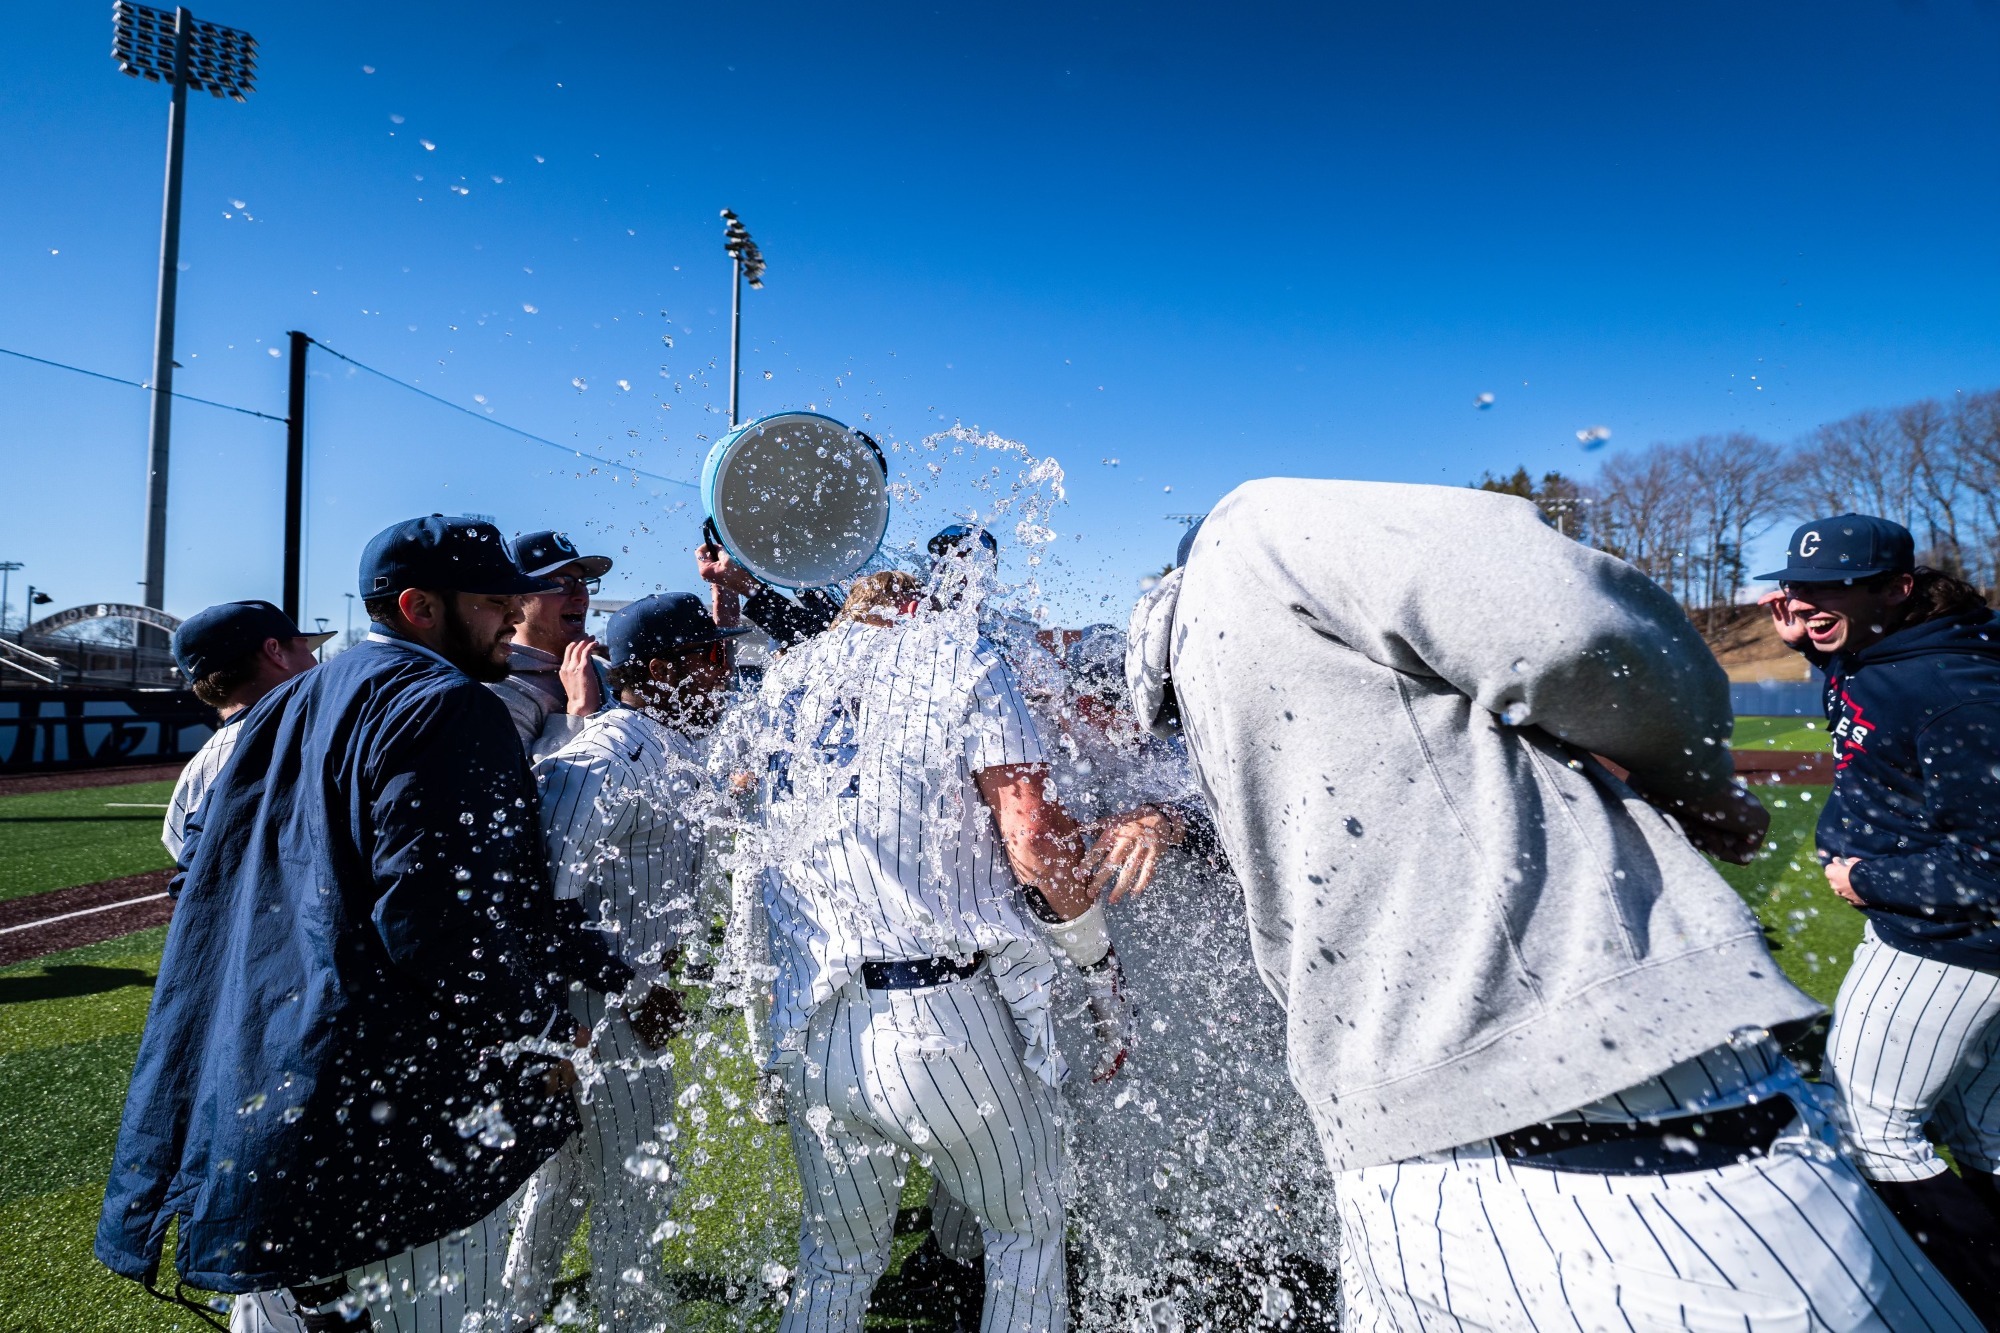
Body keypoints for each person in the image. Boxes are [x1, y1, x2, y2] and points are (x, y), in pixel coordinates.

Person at [1125, 478, 1980, 1330]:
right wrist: (1694, 781)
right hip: (1627, 1142)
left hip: (1390, 1184)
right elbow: (1573, 625)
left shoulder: (1196, 670)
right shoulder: (1258, 521)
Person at [97, 515, 632, 1333]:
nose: (506, 618)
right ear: (420, 606)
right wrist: (542, 1033)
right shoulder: (448, 703)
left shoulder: (290, 700)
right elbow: (441, 922)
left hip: (259, 1102)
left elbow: (203, 882)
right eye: (491, 601)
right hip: (384, 1122)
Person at [741, 569, 1119, 1333]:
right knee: (1027, 1231)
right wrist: (1100, 971)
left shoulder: (785, 676)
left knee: (835, 1263)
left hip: (815, 1019)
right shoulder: (961, 655)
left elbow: (751, 854)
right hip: (939, 1017)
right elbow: (1036, 843)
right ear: (919, 608)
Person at [1047, 625, 1338, 1330]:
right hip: (1114, 988)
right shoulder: (1055, 765)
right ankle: (1137, 1279)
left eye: (1117, 704)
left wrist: (1169, 820)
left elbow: (1254, 829)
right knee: (1118, 1132)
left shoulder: (1183, 753)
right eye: (1091, 702)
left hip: (1216, 991)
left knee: (1239, 1117)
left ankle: (1284, 1250)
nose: (1105, 717)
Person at [1757, 512, 2000, 1315]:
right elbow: (1862, 692)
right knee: (1986, 1136)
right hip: (1951, 941)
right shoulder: (1889, 650)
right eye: (1800, 586)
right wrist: (1811, 641)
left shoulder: (1954, 688)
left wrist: (1870, 879)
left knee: (1875, 1133)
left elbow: (1993, 863)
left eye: (1837, 588)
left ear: (1896, 588)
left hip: (1943, 944)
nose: (1809, 600)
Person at [502, 592, 749, 1331]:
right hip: (596, 1007)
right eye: (713, 657)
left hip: (610, 1000)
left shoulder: (662, 744)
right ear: (668, 668)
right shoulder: (607, 752)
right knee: (637, 1186)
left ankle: (513, 1311)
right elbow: (538, 898)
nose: (723, 672)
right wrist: (631, 988)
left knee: (567, 1177)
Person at [162, 600, 331, 861]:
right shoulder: (323, 738)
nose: (315, 662)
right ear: (275, 651)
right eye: (307, 650)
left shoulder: (192, 779)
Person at [492, 528, 616, 761]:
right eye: (561, 581)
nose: (581, 595)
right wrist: (578, 713)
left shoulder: (602, 669)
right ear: (516, 597)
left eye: (583, 582)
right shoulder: (498, 690)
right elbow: (532, 792)